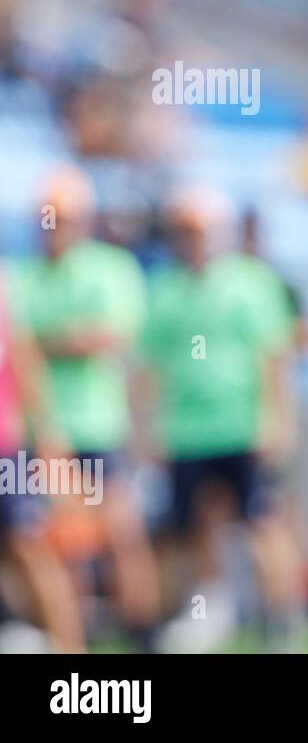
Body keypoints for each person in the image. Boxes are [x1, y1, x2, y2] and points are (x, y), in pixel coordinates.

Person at [139, 186, 307, 653]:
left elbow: (275, 358)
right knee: (190, 528)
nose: (191, 241)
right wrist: (148, 429)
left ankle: (284, 619)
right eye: (184, 232)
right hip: (185, 432)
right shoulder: (165, 287)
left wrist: (277, 420)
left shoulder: (251, 282)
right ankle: (211, 609)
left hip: (242, 424)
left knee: (262, 522)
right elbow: (149, 364)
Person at [11, 166, 160, 650]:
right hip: (37, 429)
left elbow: (106, 336)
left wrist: (43, 344)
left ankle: (142, 633)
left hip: (97, 423)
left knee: (119, 532)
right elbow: (21, 348)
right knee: (56, 543)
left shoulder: (109, 268)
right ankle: (74, 639)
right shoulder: (21, 275)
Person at [0, 259, 85, 653]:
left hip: (5, 447)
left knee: (29, 546)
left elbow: (23, 357)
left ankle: (70, 651)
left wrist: (49, 437)